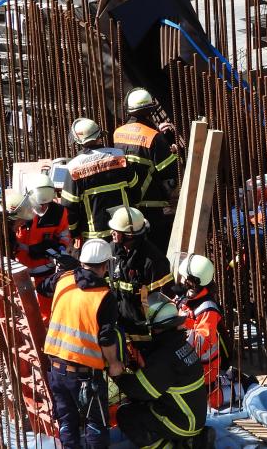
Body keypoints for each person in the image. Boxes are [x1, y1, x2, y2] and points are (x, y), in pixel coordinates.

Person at [41, 238, 125, 449]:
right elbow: (106, 338)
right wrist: (114, 363)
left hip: (56, 369)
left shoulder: (63, 279)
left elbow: (43, 287)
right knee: (95, 423)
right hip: (84, 374)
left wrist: (66, 269)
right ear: (105, 265)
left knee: (66, 420)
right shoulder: (104, 296)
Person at [113, 298, 210, 449]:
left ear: (158, 327)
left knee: (127, 415)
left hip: (182, 423)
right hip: (194, 419)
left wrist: (118, 376)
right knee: (145, 406)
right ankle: (191, 442)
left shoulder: (164, 356)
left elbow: (141, 390)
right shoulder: (181, 345)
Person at [113, 89, 179, 252]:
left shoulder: (117, 133)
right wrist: (171, 149)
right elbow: (169, 172)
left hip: (127, 203)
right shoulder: (154, 137)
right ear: (150, 110)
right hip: (152, 205)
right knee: (155, 250)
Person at [60, 118, 141, 241]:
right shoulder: (119, 156)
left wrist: (74, 232)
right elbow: (136, 189)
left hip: (95, 235)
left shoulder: (74, 166)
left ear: (78, 141)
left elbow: (69, 206)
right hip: (124, 229)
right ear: (99, 135)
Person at [8, 176, 73, 323]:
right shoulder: (19, 209)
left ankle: (44, 331)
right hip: (19, 267)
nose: (43, 208)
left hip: (44, 269)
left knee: (46, 310)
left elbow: (64, 234)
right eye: (40, 204)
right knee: (22, 310)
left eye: (46, 204)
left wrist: (60, 248)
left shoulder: (59, 212)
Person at [108, 207, 173, 342]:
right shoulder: (111, 251)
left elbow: (164, 299)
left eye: (116, 230)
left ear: (129, 235)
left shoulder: (154, 261)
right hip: (119, 330)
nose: (111, 232)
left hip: (144, 335)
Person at [175, 254, 226, 410]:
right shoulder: (189, 298)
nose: (181, 281)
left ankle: (241, 387)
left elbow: (201, 342)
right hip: (190, 363)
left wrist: (180, 325)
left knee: (211, 402)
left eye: (184, 278)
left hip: (205, 368)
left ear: (193, 282)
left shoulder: (207, 309)